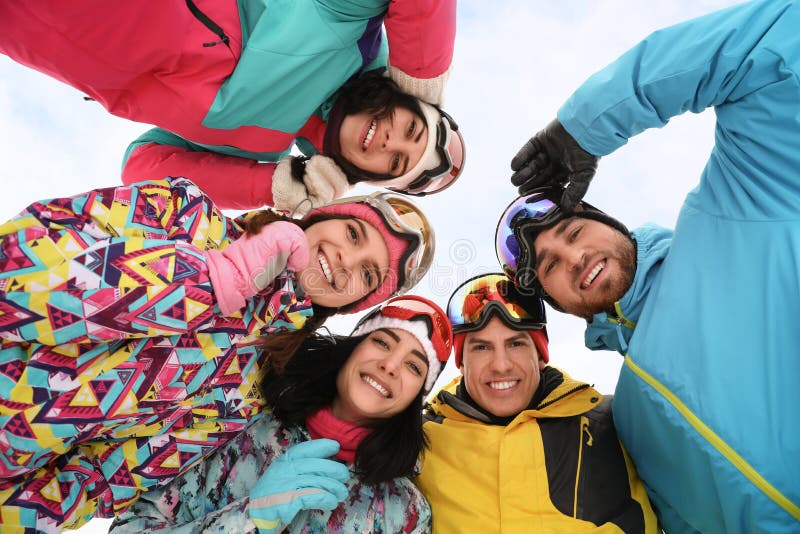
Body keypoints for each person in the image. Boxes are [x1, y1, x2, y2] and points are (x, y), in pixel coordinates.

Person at [498, 1, 800, 531]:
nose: (575, 258)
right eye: (550, 268)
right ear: (559, 305)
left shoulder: (740, 205)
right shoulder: (629, 419)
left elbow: (770, 42)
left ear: (610, 222)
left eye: (572, 233)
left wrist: (583, 128)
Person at [0, 177, 433, 531]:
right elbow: (16, 271)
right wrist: (210, 279)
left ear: (355, 302)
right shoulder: (186, 215)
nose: (344, 261)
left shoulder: (256, 385)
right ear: (325, 215)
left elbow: (102, 479)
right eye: (353, 234)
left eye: (367, 273)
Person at [0, 1, 465, 212]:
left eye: (397, 161)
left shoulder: (263, 150)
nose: (389, 140)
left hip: (35, 30)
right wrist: (421, 70)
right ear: (404, 97)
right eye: (411, 128)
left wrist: (272, 185)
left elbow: (141, 167)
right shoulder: (351, 24)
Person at [108, 295, 453, 533]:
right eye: (382, 342)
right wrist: (253, 516)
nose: (390, 365)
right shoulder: (238, 428)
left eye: (413, 366)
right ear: (351, 350)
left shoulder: (405, 511)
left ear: (415, 398)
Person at [414, 273, 657, 533]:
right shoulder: (418, 441)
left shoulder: (613, 422)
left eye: (516, 344)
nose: (501, 365)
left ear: (540, 355)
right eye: (482, 348)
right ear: (462, 363)